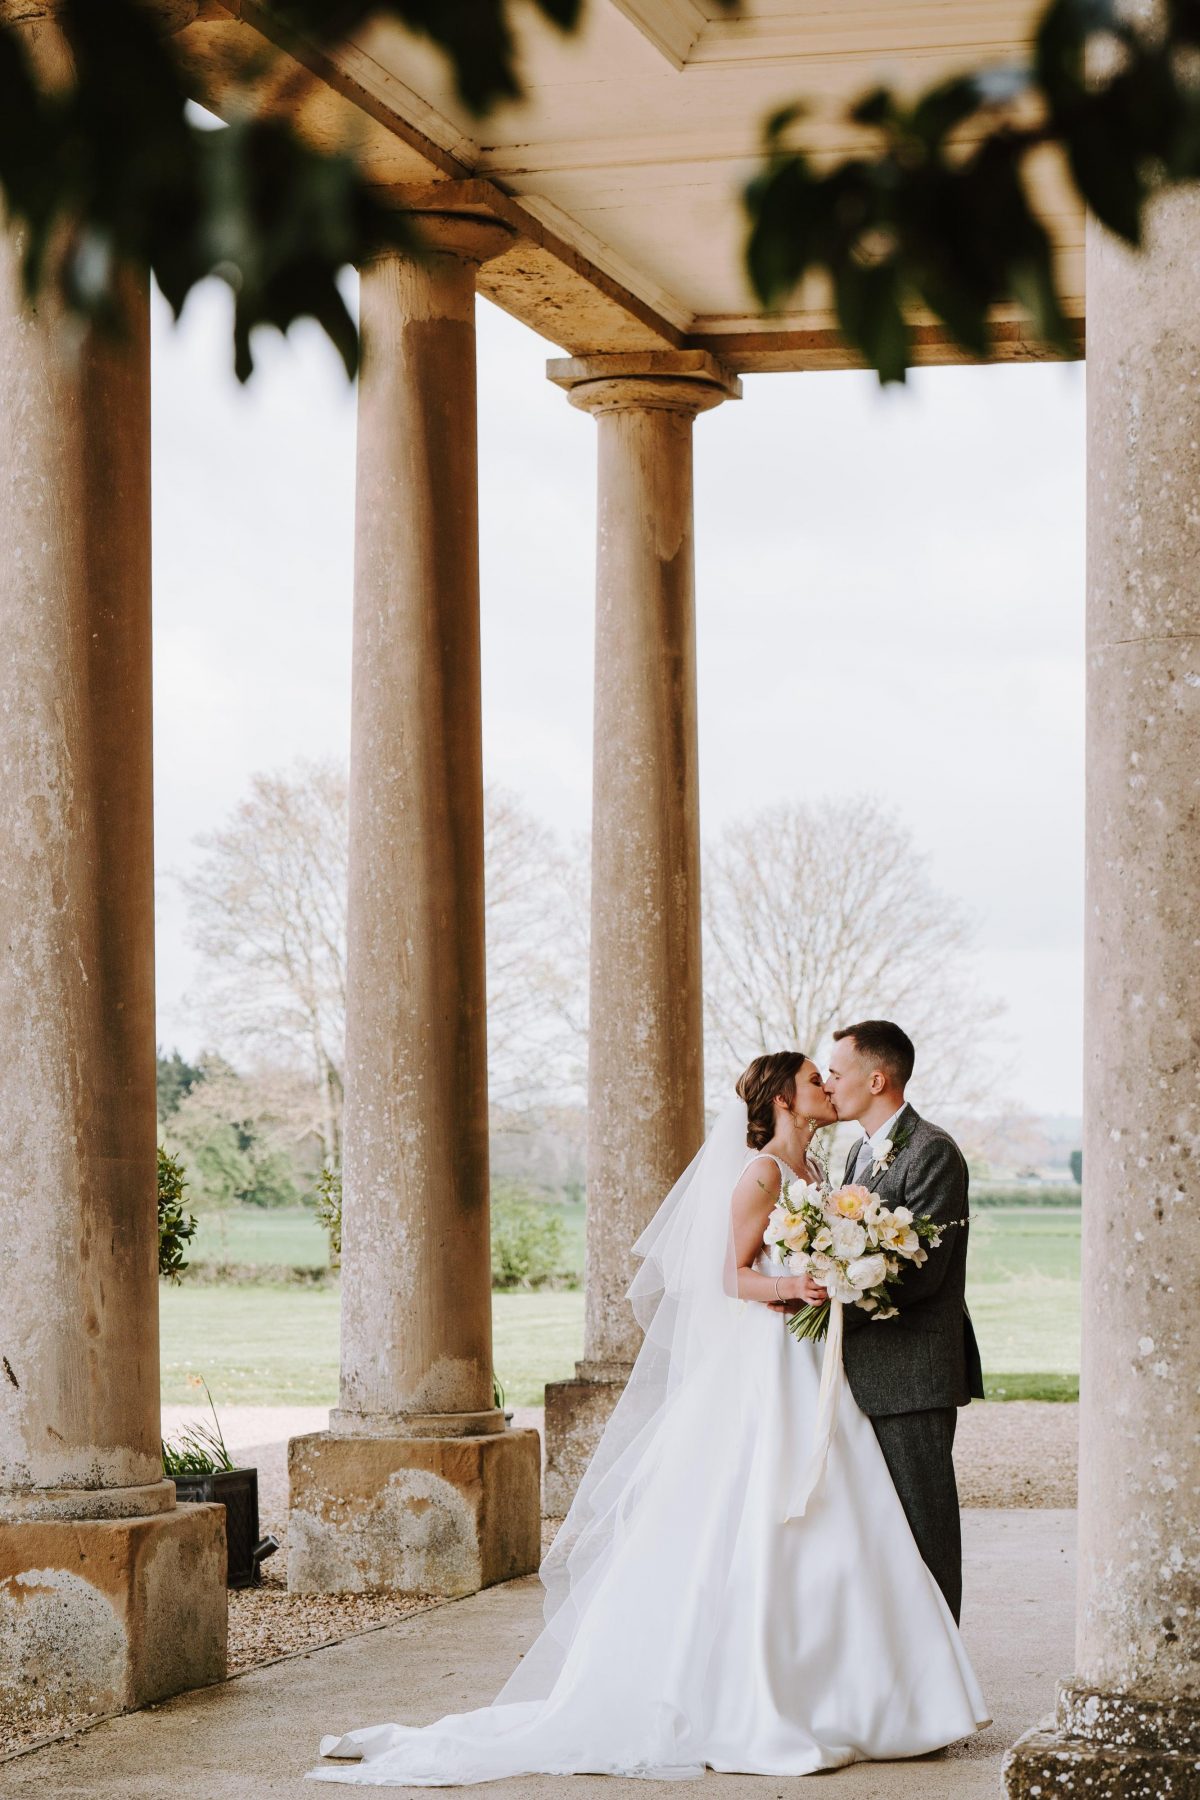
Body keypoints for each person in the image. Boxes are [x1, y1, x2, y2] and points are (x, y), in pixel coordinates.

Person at [308, 1049, 989, 1786]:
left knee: (842, 1514)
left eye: (831, 1076)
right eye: (813, 1080)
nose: (826, 1087)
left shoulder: (822, 1173)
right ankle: (757, 1694)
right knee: (761, 1507)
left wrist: (833, 1272)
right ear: (785, 1101)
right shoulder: (761, 1171)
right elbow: (725, 1274)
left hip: (810, 1361)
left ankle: (858, 1688)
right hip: (768, 1360)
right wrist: (797, 1280)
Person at [819, 1020, 985, 1622]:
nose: (829, 1083)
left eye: (837, 1072)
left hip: (912, 1374)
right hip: (862, 1367)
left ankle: (942, 1683)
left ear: (878, 1078)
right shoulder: (858, 1152)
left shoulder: (931, 1151)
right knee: (879, 1535)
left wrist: (826, 1288)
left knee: (925, 1527)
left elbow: (923, 1275)